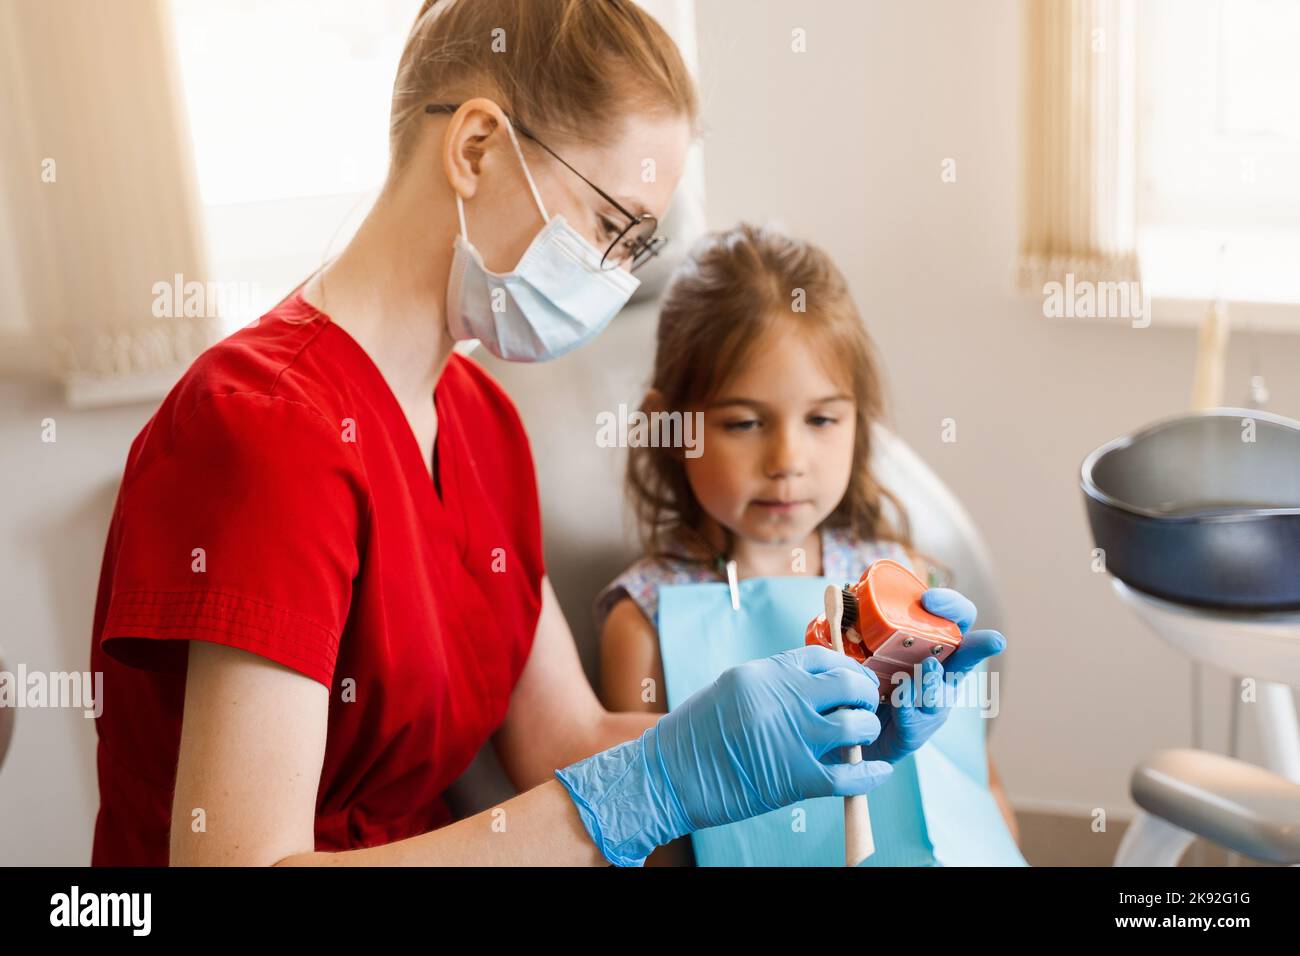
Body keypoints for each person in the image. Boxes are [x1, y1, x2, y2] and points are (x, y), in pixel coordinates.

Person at [89, 0, 1003, 867]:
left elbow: (562, 741)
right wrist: (657, 783)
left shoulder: (482, 424)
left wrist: (808, 735)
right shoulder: (263, 434)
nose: (612, 280)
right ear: (477, 147)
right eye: (610, 226)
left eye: (636, 249)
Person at [597, 224, 1018, 863]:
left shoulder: (902, 583)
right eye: (744, 422)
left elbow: (976, 785)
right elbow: (651, 844)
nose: (787, 459)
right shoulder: (645, 622)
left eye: (822, 419)